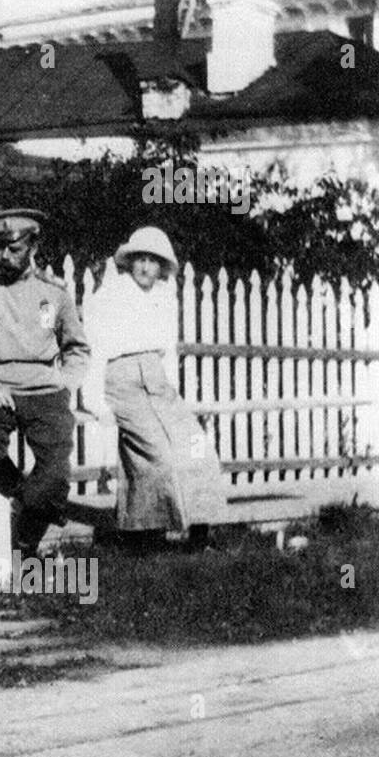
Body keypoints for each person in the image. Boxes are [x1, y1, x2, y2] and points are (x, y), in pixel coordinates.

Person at [0, 209, 90, 557]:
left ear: (33, 246)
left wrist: (64, 383)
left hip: (45, 390)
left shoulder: (54, 293)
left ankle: (24, 545)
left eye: (13, 248)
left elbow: (77, 348)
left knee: (56, 471)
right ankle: (26, 496)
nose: (4, 256)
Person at [83, 227, 226, 544]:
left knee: (197, 447)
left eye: (153, 260)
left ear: (163, 266)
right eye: (140, 259)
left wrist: (172, 397)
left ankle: (200, 534)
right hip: (122, 381)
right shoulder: (110, 295)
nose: (146, 267)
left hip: (158, 383)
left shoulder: (164, 297)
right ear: (130, 262)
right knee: (157, 455)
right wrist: (96, 403)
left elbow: (168, 353)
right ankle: (145, 535)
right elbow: (94, 353)